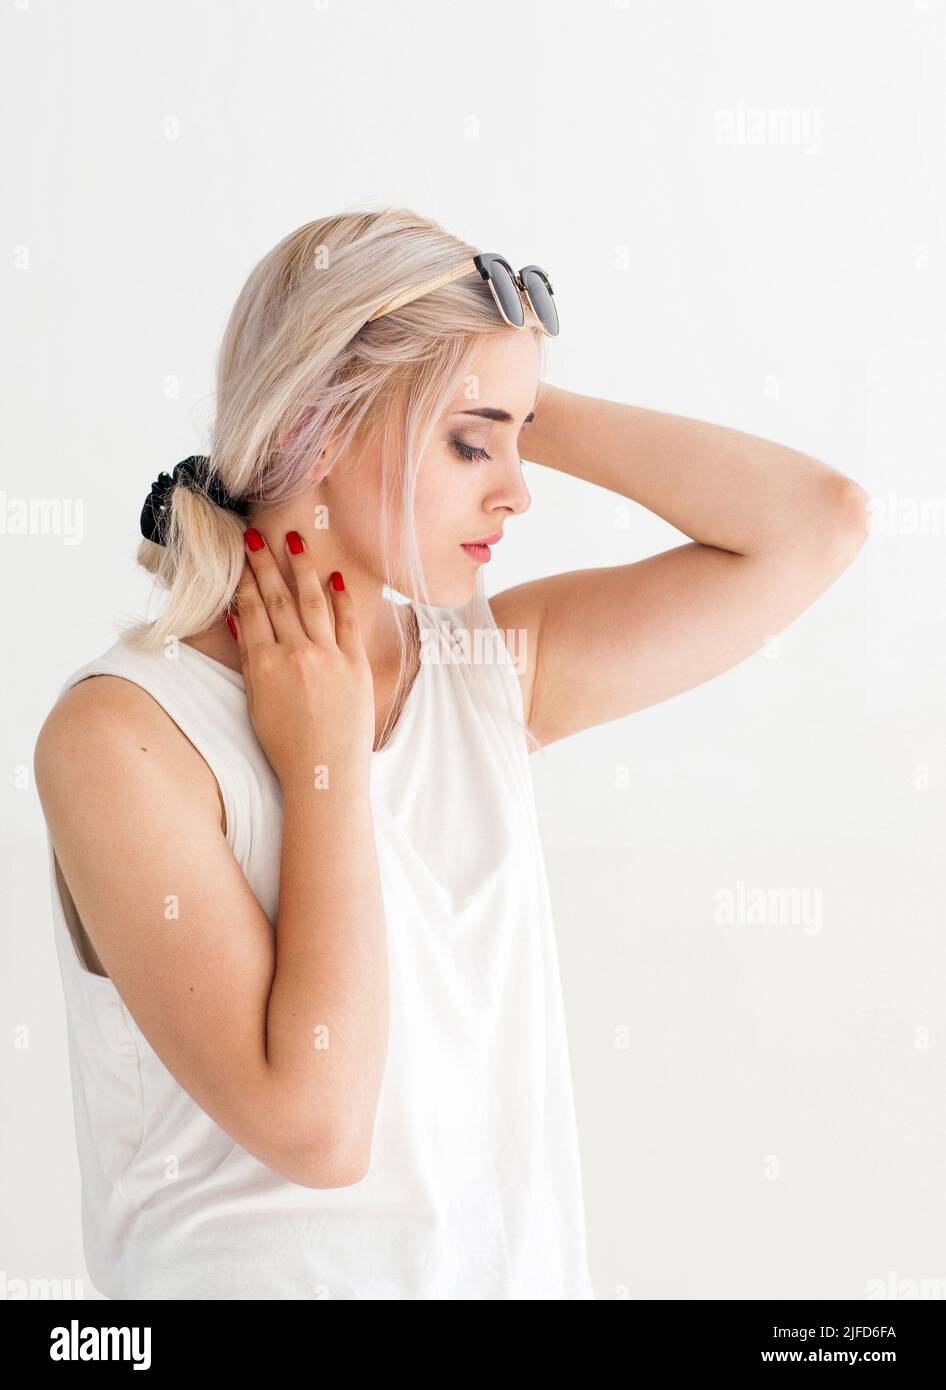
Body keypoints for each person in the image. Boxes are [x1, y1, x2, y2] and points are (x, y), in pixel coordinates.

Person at [34, 208, 869, 1300]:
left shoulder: (486, 674)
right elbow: (319, 1126)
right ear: (319, 425)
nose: (517, 487)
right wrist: (323, 759)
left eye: (513, 439)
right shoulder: (122, 736)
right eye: (470, 443)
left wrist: (500, 390)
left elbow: (818, 523)